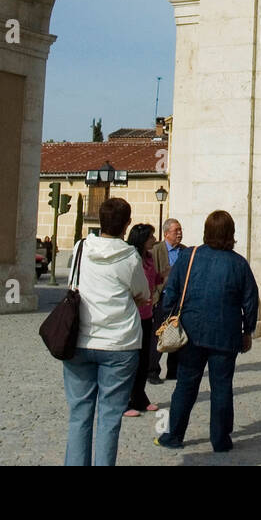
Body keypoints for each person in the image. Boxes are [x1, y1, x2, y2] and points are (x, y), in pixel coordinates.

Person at [154, 210, 259, 453]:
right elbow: (250, 301)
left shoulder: (189, 256)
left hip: (191, 331)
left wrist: (169, 316)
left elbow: (172, 290)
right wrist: (248, 330)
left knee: (186, 384)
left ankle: (174, 434)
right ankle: (220, 439)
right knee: (221, 387)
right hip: (225, 332)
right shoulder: (238, 263)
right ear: (231, 233)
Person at [63, 197, 149, 466]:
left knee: (79, 414)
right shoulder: (130, 256)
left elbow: (73, 283)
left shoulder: (80, 248)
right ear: (127, 224)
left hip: (79, 340)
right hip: (119, 343)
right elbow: (143, 294)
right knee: (110, 418)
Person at [124, 223, 163, 417]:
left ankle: (139, 397)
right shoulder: (131, 257)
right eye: (151, 237)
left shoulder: (149, 258)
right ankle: (124, 400)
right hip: (132, 315)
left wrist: (164, 275)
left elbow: (154, 279)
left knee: (143, 359)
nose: (154, 240)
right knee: (131, 359)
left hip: (147, 313)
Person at [149, 218, 185, 383]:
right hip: (162, 297)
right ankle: (153, 370)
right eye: (175, 230)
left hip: (180, 299)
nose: (179, 233)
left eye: (180, 230)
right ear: (165, 233)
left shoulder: (185, 251)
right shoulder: (156, 250)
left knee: (177, 332)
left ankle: (174, 370)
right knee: (158, 333)